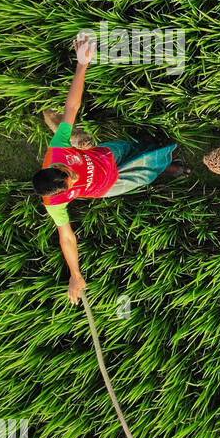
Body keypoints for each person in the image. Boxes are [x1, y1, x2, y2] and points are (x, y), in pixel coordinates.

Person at [32, 31, 186, 302]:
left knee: (137, 146)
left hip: (106, 155)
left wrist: (82, 64)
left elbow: (72, 106)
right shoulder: (54, 204)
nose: (73, 177)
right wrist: (75, 274)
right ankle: (166, 166)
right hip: (109, 183)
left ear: (57, 166)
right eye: (70, 184)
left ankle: (155, 145)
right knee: (146, 171)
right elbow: (66, 238)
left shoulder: (58, 149)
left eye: (67, 173)